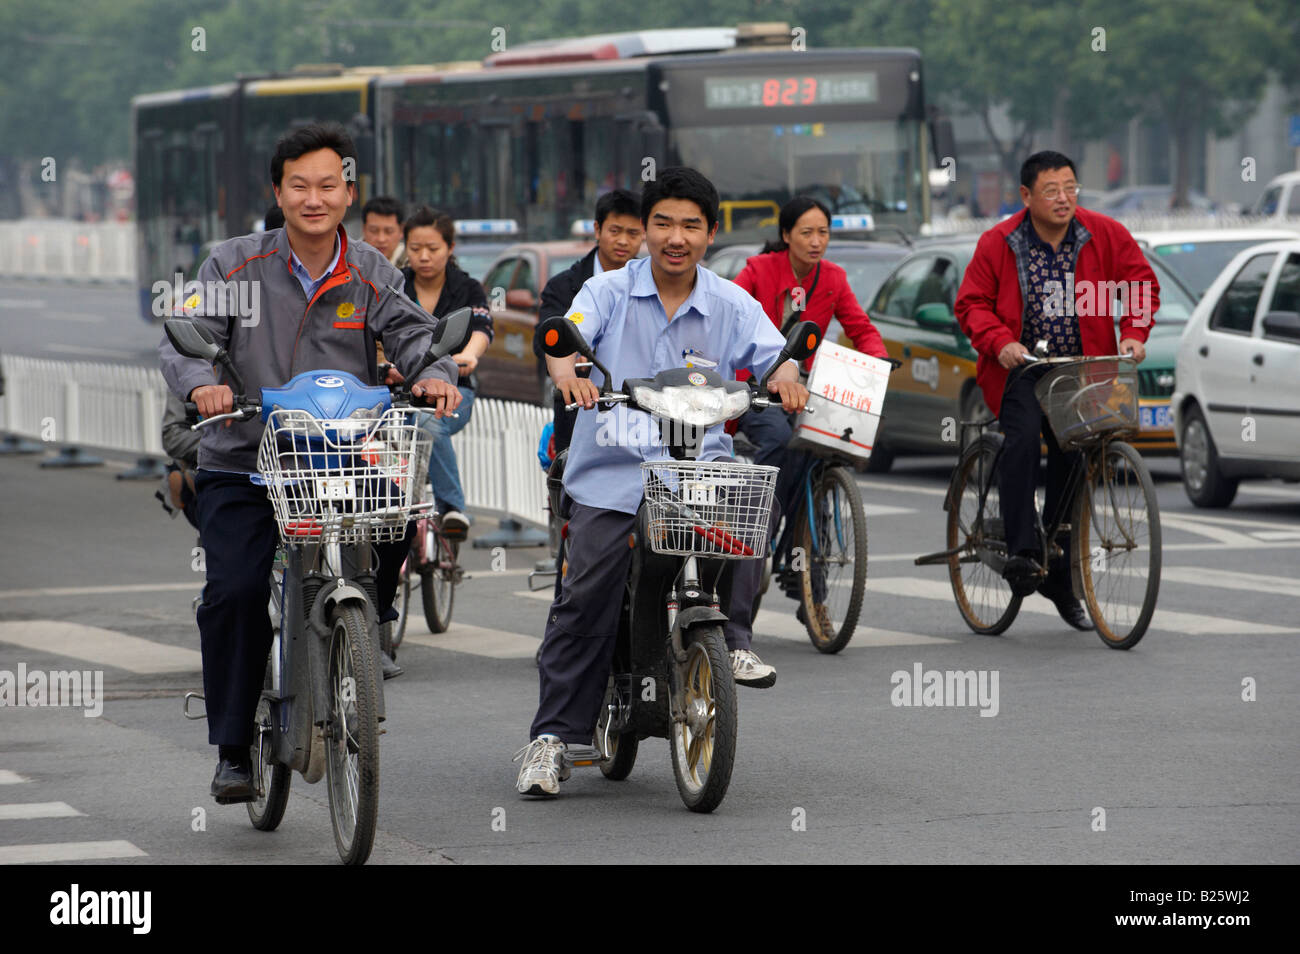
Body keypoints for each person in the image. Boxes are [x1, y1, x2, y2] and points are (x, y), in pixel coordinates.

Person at [159, 122, 462, 804]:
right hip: (244, 457)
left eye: (329, 184)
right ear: (279, 191)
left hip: (340, 456)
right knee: (235, 592)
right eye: (300, 185)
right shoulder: (234, 265)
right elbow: (188, 338)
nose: (314, 197)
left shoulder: (374, 272)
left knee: (397, 519)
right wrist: (200, 382)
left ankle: (364, 623)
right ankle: (234, 747)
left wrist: (434, 373)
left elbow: (415, 335)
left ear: (348, 194)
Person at [514, 167, 810, 798]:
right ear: (645, 230)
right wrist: (568, 371)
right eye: (664, 223)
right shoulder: (607, 291)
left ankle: (732, 640)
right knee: (586, 593)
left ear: (711, 233)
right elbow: (566, 336)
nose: (676, 237)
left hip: (700, 470)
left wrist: (787, 377)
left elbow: (775, 354)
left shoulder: (731, 302)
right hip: (615, 475)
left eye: (691, 225)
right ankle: (551, 738)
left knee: (750, 509)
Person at [955, 150, 1158, 629]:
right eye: (1052, 190)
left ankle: (1062, 574)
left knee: (1076, 460)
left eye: (1071, 188)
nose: (1064, 198)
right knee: (1023, 441)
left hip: (1083, 373)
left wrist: (1133, 332)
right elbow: (971, 304)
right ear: (1026, 196)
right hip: (1022, 370)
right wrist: (1000, 341)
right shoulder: (999, 241)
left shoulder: (1104, 233)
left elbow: (1140, 285)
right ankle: (1024, 552)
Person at [731, 196, 888, 629]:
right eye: (806, 232)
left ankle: (803, 570)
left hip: (806, 390)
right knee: (783, 442)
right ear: (786, 236)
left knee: (819, 452)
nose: (816, 241)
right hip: (756, 388)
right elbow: (731, 320)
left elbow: (861, 328)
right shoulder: (757, 271)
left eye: (823, 233)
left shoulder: (834, 278)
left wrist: (877, 363)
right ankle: (762, 525)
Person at [400, 206, 493, 537]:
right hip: (396, 394)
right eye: (415, 249)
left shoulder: (466, 288)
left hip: (455, 391)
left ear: (450, 248)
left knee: (428, 423)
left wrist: (468, 356)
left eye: (433, 249)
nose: (423, 257)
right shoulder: (394, 286)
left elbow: (482, 326)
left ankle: (453, 509)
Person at [535, 188, 643, 454]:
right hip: (580, 409)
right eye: (615, 231)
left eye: (633, 233)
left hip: (641, 415)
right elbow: (546, 342)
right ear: (597, 229)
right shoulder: (563, 286)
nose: (623, 241)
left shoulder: (655, 284)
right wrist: (570, 366)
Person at [362, 195, 406, 267]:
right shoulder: (347, 258)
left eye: (389, 231)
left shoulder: (412, 263)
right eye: (374, 231)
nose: (381, 239)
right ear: (363, 229)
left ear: (401, 230)